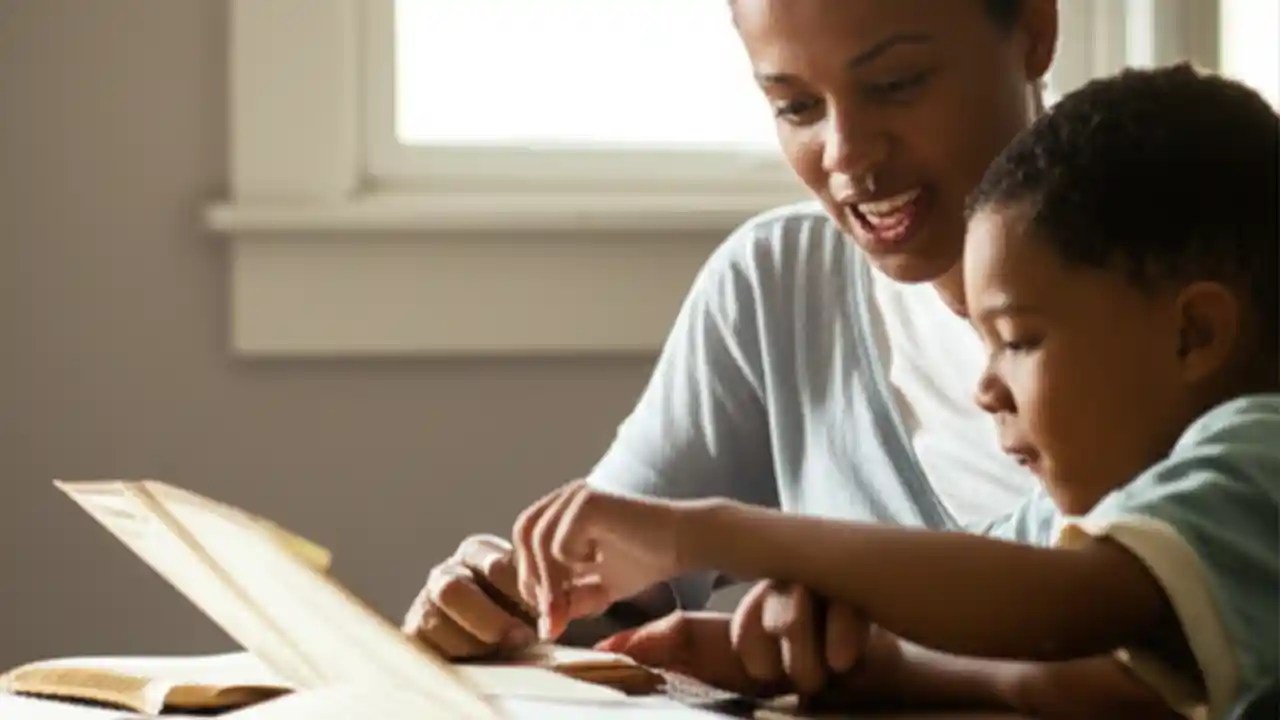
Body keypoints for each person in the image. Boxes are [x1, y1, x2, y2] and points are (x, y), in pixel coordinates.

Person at [404, 0, 1165, 710]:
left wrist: (883, 657)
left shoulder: (1193, 306)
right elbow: (600, 603)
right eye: (796, 107)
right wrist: (503, 604)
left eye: (897, 84)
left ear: (1034, 30)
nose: (847, 155)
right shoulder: (779, 288)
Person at [518, 65, 1280, 719]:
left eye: (1017, 341)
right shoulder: (1083, 517)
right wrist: (824, 656)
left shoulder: (1259, 452)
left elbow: (1050, 616)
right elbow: (1071, 679)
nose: (987, 387)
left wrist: (709, 533)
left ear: (1194, 335)